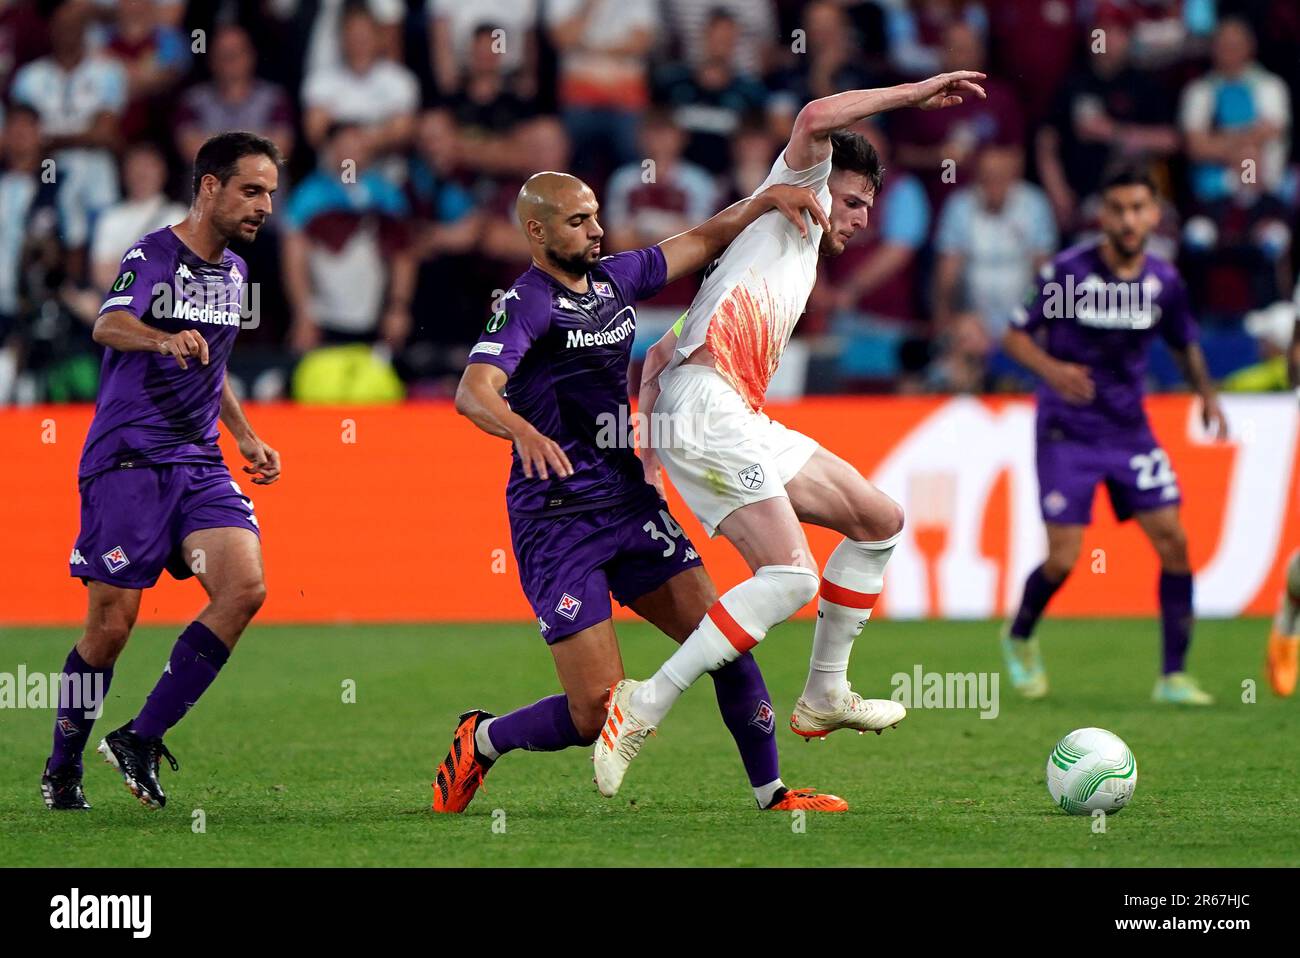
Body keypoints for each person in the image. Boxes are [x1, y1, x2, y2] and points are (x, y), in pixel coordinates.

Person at [593, 71, 988, 798]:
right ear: (819, 181)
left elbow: (656, 354)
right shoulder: (792, 202)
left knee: (879, 520)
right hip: (708, 407)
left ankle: (825, 695)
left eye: (870, 206)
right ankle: (642, 703)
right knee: (793, 576)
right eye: (856, 201)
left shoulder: (783, 253)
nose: (863, 218)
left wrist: (649, 457)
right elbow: (812, 114)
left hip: (724, 407)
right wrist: (914, 93)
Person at [435, 169, 851, 813]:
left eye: (596, 215)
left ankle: (773, 794)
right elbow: (473, 390)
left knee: (727, 641)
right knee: (592, 714)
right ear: (536, 231)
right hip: (556, 520)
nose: (596, 230)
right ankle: (482, 738)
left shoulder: (616, 278)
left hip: (628, 503)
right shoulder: (527, 303)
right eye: (578, 222)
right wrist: (523, 433)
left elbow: (707, 235)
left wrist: (768, 198)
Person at [42, 132, 283, 811]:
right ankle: (62, 767)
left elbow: (214, 363)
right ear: (209, 186)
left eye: (269, 191)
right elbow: (109, 324)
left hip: (199, 461)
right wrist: (160, 336)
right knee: (112, 630)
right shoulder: (153, 253)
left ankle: (142, 736)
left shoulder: (233, 274)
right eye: (251, 189)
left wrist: (245, 434)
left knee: (245, 588)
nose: (264, 204)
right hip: (127, 459)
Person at [1000, 165, 1227, 705]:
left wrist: (1206, 393)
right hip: (1067, 431)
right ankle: (1020, 636)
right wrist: (1052, 370)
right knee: (1063, 559)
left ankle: (1173, 675)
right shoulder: (1066, 274)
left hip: (1130, 432)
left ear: (1154, 213)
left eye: (1138, 208)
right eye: (1118, 209)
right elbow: (1014, 336)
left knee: (1174, 541)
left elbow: (1184, 341)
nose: (1128, 220)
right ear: (1102, 215)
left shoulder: (1164, 281)